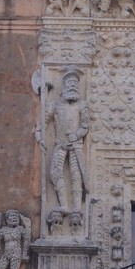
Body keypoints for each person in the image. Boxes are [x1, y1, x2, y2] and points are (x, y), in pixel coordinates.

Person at [46, 67, 90, 227]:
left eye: (75, 82)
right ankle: (64, 204)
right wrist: (39, 135)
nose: (72, 85)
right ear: (64, 85)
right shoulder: (54, 105)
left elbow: (85, 125)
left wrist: (76, 135)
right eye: (69, 82)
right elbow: (44, 121)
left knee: (76, 175)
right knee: (55, 172)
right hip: (60, 143)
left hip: (75, 144)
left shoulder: (82, 105)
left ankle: (77, 207)